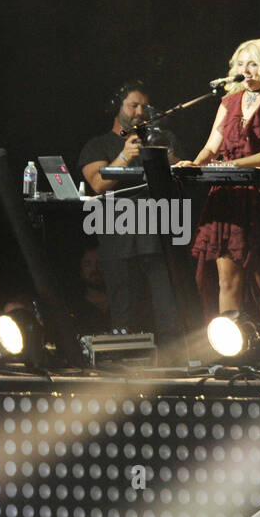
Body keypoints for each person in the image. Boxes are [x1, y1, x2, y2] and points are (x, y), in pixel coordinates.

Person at [178, 38, 260, 368]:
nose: (245, 70)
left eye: (252, 63)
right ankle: (232, 355)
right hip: (226, 196)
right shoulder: (228, 100)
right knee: (227, 281)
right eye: (240, 64)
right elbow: (213, 145)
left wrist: (228, 166)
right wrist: (196, 164)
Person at [78, 81, 182, 353]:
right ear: (117, 107)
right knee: (123, 310)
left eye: (143, 107)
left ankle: (172, 363)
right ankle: (126, 363)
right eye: (132, 105)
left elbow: (174, 180)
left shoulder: (155, 142)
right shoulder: (98, 144)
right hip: (117, 237)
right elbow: (97, 184)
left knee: (166, 307)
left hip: (155, 235)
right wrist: (124, 157)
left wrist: (167, 157)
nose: (139, 112)